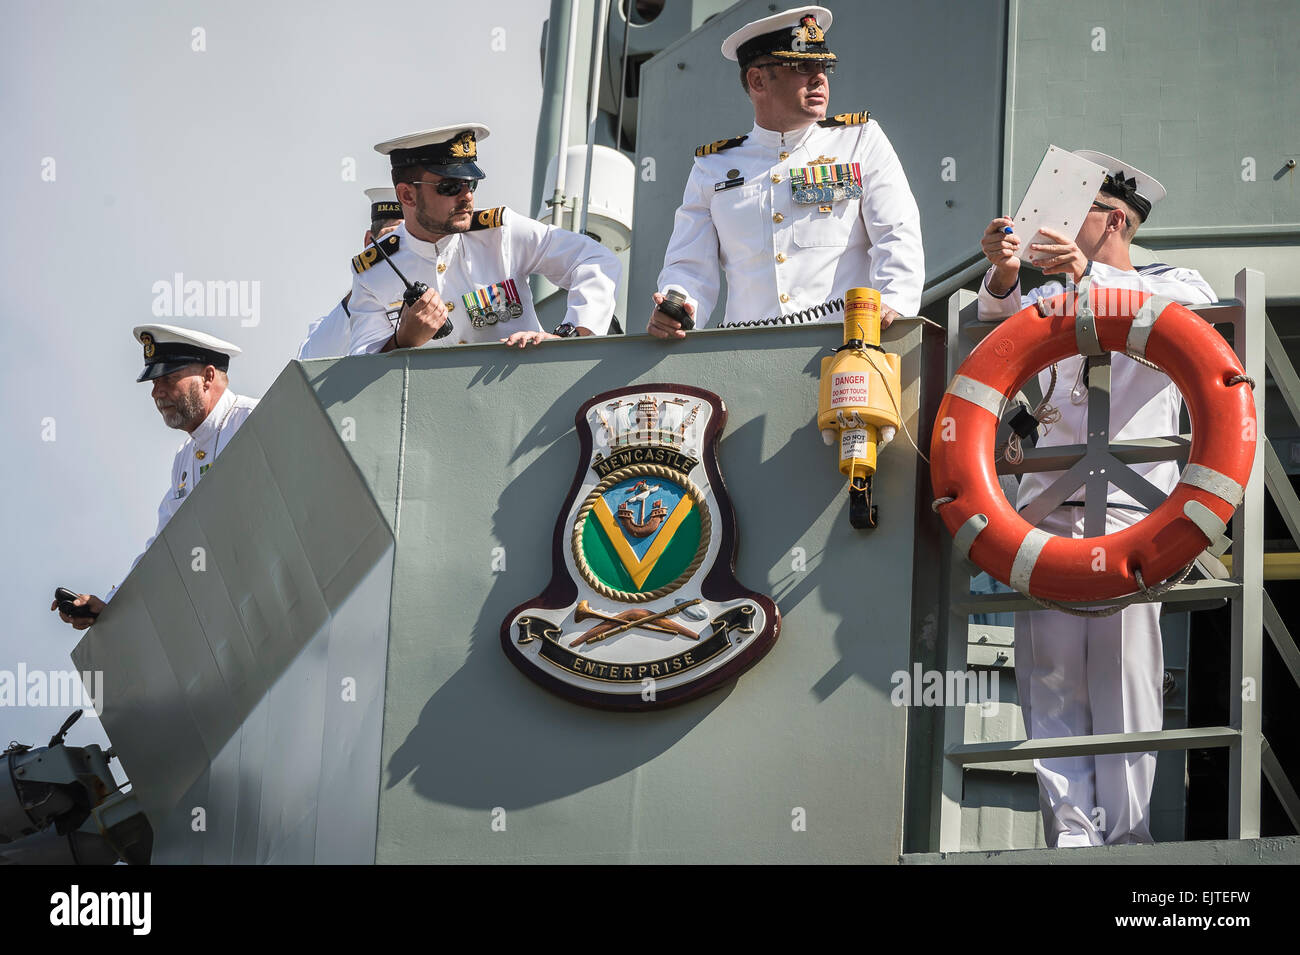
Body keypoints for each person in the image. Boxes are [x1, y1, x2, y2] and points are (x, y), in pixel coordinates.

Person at [977, 149, 1216, 847]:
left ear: (1112, 219)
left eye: (1069, 209)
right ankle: (1072, 839)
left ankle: (1127, 840)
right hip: (1046, 511)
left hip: (1128, 514)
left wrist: (1092, 278)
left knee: (1122, 683)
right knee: (1049, 683)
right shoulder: (1042, 294)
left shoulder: (1174, 282)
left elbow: (1189, 319)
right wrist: (1002, 272)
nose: (1049, 222)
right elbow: (993, 329)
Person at [649, 5, 923, 339]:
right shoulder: (712, 166)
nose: (819, 77)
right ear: (757, 79)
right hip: (743, 359)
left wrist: (896, 308)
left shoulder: (860, 141)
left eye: (824, 66)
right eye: (802, 66)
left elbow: (897, 234)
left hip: (844, 351)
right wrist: (678, 307)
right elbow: (688, 266)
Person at [52, 326, 259, 630]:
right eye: (153, 381)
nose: (156, 392)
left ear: (208, 377)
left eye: (168, 378)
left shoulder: (251, 419)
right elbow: (164, 547)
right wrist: (110, 604)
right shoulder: (184, 458)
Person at [348, 124, 621, 354]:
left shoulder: (501, 232)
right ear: (407, 195)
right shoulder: (374, 271)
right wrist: (402, 341)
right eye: (451, 186)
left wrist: (570, 336)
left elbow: (595, 259)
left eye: (471, 184)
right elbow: (358, 369)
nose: (466, 196)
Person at [297, 187, 404, 360]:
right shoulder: (353, 308)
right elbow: (311, 360)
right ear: (369, 242)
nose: (408, 247)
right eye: (398, 237)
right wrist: (372, 272)